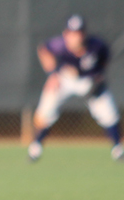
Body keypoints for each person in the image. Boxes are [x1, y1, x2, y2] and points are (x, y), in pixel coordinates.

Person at [28, 14, 123, 162]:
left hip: (89, 81)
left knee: (109, 113)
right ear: (66, 34)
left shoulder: (97, 45)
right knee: (46, 110)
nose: (75, 37)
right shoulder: (59, 45)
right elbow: (44, 49)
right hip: (64, 79)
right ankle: (35, 148)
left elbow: (105, 59)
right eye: (72, 33)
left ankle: (118, 149)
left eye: (78, 33)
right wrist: (53, 74)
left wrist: (99, 76)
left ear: (84, 34)